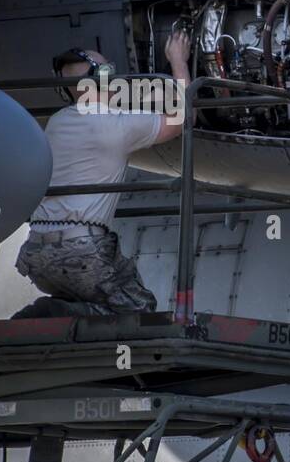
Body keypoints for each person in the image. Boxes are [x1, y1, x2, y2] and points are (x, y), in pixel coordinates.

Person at [12, 32, 191, 318]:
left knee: (97, 287)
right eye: (109, 71)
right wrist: (178, 62)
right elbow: (179, 119)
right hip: (83, 251)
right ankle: (60, 311)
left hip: (37, 253)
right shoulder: (116, 125)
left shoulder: (56, 122)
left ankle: (64, 310)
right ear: (99, 79)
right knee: (139, 312)